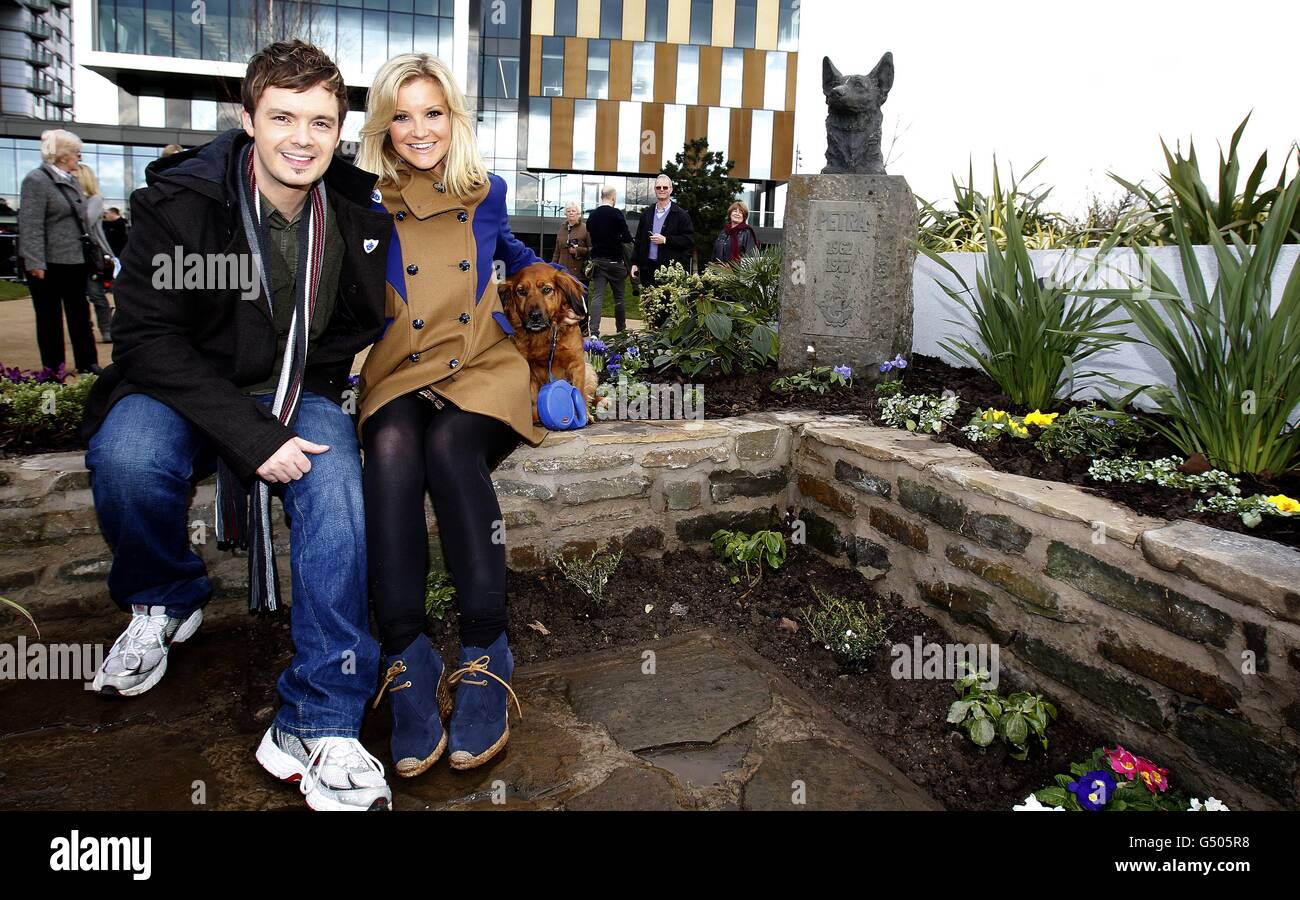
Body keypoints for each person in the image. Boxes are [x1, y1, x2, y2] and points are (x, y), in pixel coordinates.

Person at [80, 40, 395, 812]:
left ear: (339, 130)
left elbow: (362, 322)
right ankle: (165, 598)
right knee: (126, 458)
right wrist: (252, 438)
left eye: (320, 121)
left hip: (295, 390)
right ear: (247, 118)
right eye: (282, 115)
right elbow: (147, 339)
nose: (301, 137)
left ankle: (316, 719)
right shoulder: (178, 201)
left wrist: (313, 392)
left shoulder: (356, 213)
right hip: (181, 383)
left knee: (338, 489)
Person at [356, 52, 582, 777]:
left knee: (452, 449)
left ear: (455, 118)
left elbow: (507, 251)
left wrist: (566, 297)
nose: (419, 130)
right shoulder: (360, 196)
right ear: (382, 125)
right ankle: (408, 659)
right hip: (398, 367)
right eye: (401, 115)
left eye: (433, 112)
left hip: (479, 363)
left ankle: (486, 653)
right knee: (392, 448)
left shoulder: (486, 191)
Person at [18, 129, 99, 374]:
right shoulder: (36, 180)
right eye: (76, 152)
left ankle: (87, 363)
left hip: (74, 259)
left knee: (80, 316)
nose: (78, 157)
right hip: (48, 263)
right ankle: (53, 368)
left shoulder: (71, 180)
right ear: (63, 155)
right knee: (49, 319)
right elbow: (30, 224)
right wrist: (35, 262)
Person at [630, 173, 694, 290]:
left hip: (670, 270)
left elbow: (688, 240)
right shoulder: (647, 213)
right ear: (655, 190)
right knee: (649, 305)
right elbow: (639, 240)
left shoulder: (681, 215)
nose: (662, 190)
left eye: (665, 187)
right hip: (647, 269)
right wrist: (634, 263)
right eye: (658, 187)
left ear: (671, 190)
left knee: (667, 306)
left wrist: (665, 240)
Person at [75, 164, 117, 342]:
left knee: (96, 294)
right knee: (79, 297)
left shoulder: (94, 200)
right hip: (75, 252)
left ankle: (107, 329)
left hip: (93, 254)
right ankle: (86, 329)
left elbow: (86, 221)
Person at [585, 184, 633, 336]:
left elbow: (591, 233)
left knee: (597, 296)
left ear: (601, 197)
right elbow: (626, 238)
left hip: (598, 262)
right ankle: (621, 330)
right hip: (616, 262)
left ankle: (593, 332)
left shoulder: (593, 216)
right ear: (613, 198)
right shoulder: (616, 214)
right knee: (619, 298)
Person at [551, 200, 590, 288]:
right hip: (562, 272)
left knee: (580, 300)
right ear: (566, 213)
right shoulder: (561, 229)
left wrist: (578, 250)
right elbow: (557, 252)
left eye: (573, 211)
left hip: (580, 273)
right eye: (569, 211)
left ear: (578, 213)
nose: (571, 213)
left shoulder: (585, 228)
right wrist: (552, 268)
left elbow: (592, 249)